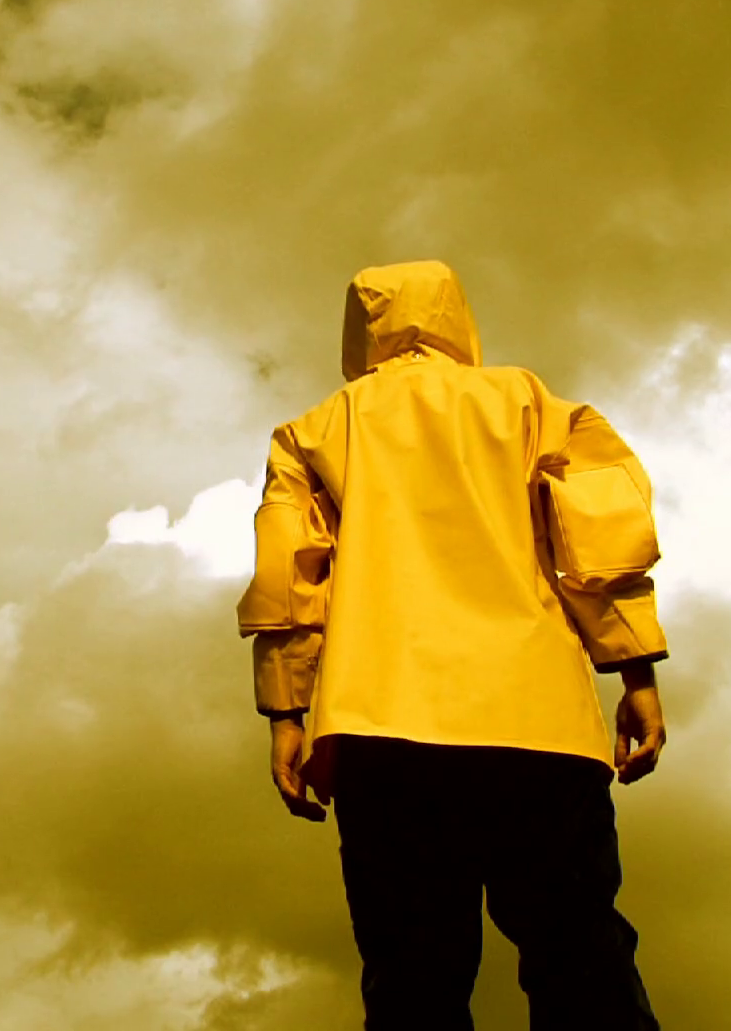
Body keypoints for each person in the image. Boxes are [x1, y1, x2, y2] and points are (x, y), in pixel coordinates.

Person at [235, 261, 669, 1030]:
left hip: (381, 731)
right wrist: (634, 670)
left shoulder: (312, 431)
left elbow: (287, 578)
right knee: (581, 959)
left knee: (412, 982)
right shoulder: (530, 402)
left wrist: (286, 712)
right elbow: (602, 538)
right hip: (538, 724)